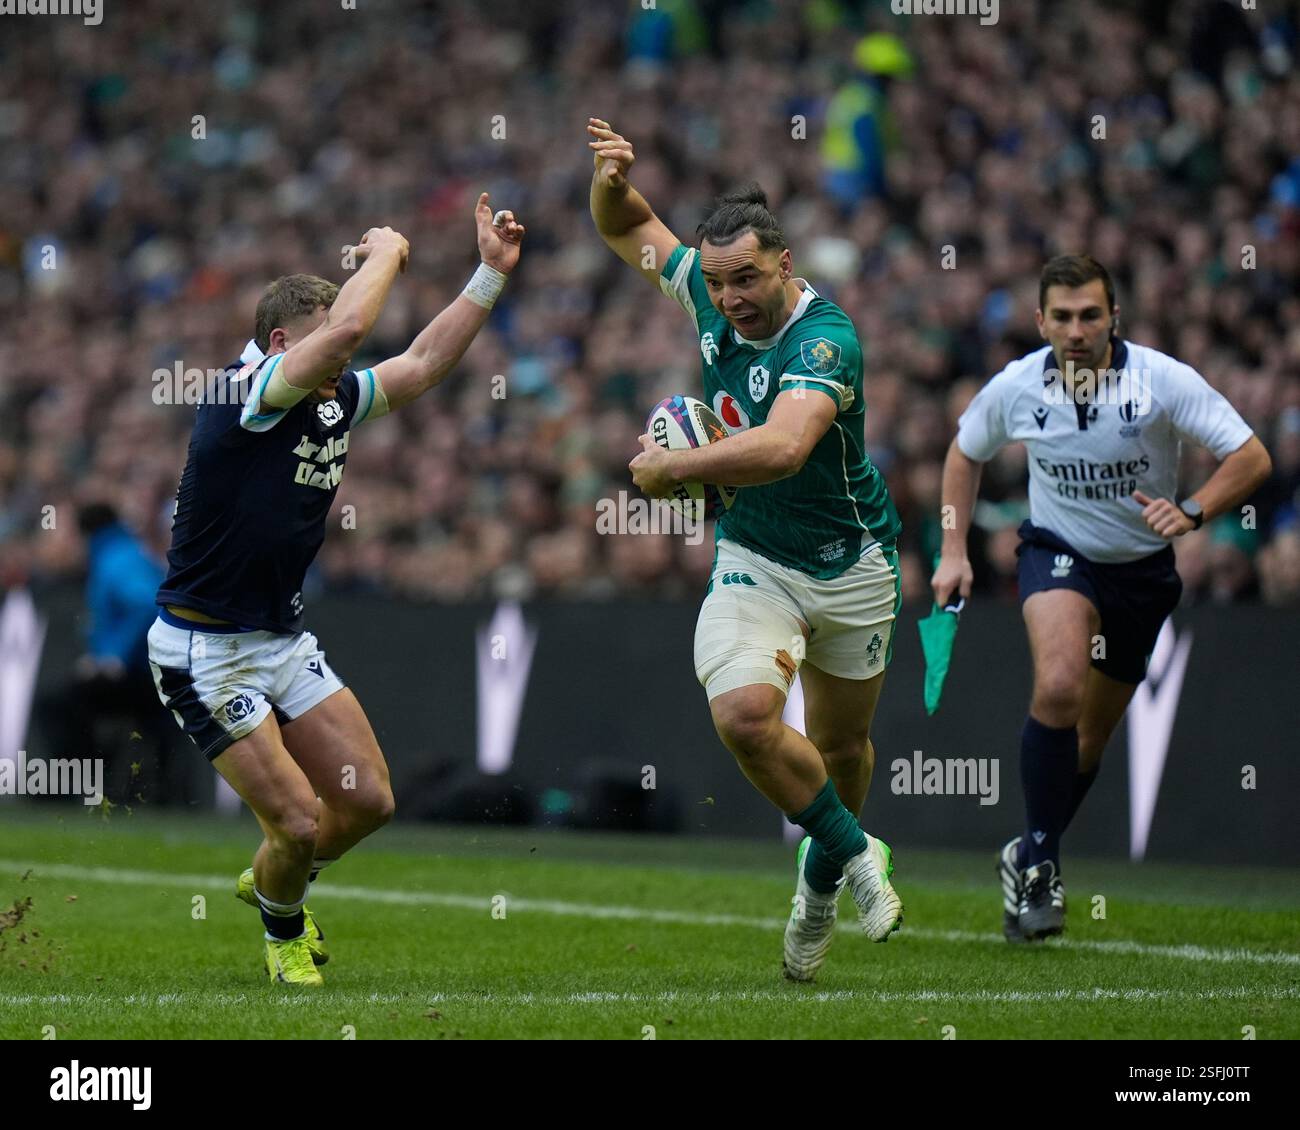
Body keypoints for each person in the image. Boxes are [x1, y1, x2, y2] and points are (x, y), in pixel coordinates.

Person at [148, 197, 525, 984]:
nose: (340, 354)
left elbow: (419, 364)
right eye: (322, 335)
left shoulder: (327, 400)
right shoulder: (241, 396)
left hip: (281, 640)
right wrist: (388, 248)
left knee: (367, 805)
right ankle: (283, 932)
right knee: (293, 819)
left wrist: (488, 274)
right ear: (283, 342)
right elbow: (351, 331)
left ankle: (277, 877)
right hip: (204, 651)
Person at [588, 118, 903, 982]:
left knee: (843, 751)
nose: (728, 298)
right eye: (717, 282)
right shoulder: (701, 291)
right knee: (746, 718)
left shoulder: (825, 339)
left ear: (786, 265)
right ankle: (859, 854)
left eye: (746, 279)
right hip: (755, 559)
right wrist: (614, 180)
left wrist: (674, 469)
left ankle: (818, 884)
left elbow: (784, 447)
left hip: (853, 561)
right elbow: (623, 229)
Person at [931, 254, 1271, 941]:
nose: (1076, 329)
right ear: (1040, 321)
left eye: (1090, 314)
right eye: (1061, 316)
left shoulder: (1163, 380)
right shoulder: (1018, 386)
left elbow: (1253, 456)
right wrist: (953, 549)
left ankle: (1027, 852)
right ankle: (1043, 871)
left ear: (1115, 316)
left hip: (1141, 574)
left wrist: (1196, 509)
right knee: (1058, 686)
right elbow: (964, 454)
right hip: (1057, 552)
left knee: (1087, 740)